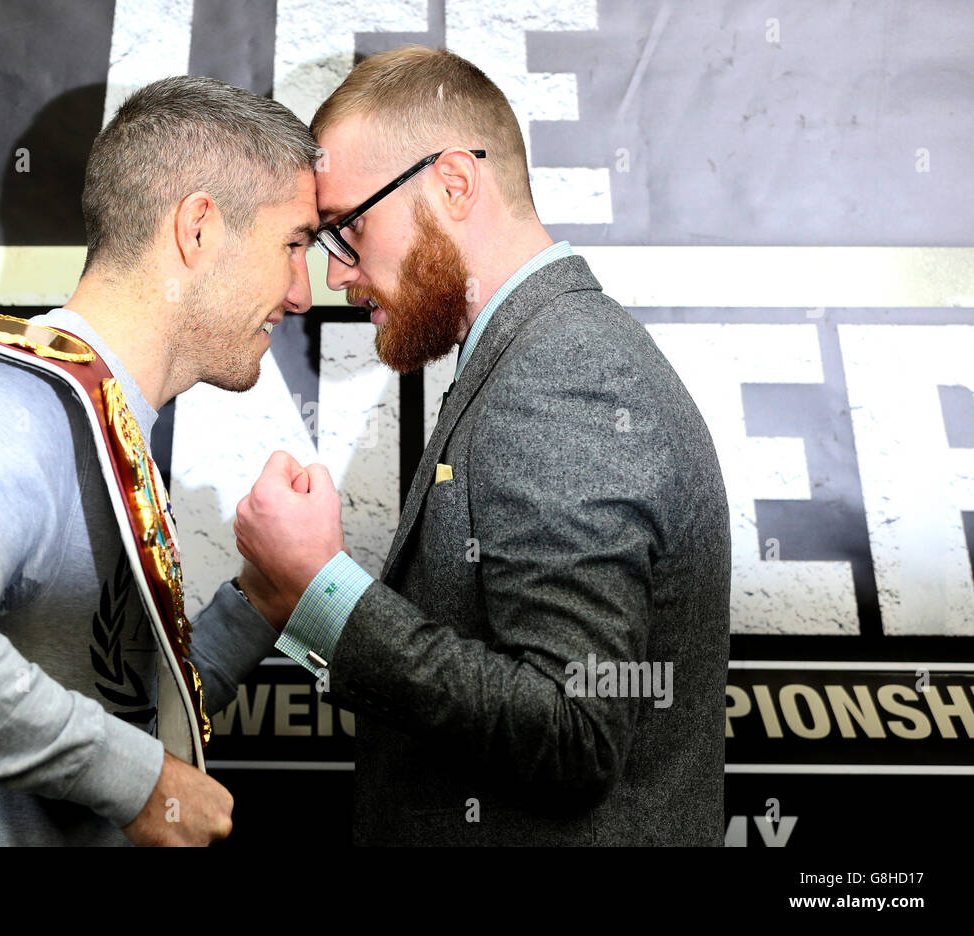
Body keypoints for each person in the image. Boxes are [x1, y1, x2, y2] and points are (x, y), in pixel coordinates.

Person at [234, 46, 732, 845]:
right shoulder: (536, 353)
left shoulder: (562, 375)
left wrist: (324, 593)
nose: (336, 277)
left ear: (455, 184)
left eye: (351, 228)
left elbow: (574, 730)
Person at [0, 75, 317, 846]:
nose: (303, 291)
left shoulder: (97, 417)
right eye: (294, 245)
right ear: (199, 230)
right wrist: (139, 784)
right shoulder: (15, 411)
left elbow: (119, 707)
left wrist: (262, 601)